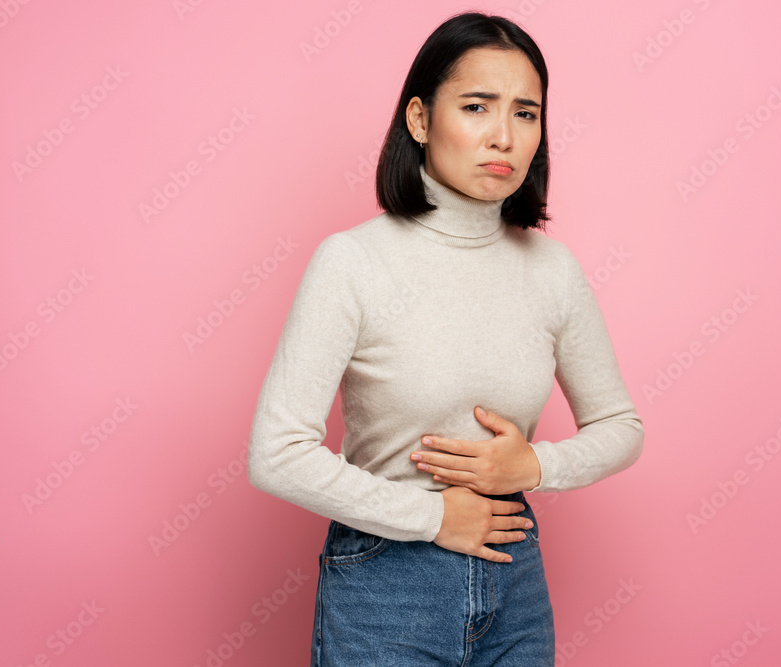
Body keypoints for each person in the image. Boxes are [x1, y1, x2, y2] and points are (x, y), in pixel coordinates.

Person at [247, 11, 644, 666]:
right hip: (386, 578)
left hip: (514, 571)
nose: (503, 136)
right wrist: (432, 518)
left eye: (525, 113)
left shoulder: (552, 270)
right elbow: (276, 452)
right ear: (420, 120)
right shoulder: (353, 262)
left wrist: (535, 466)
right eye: (477, 106)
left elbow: (620, 425)